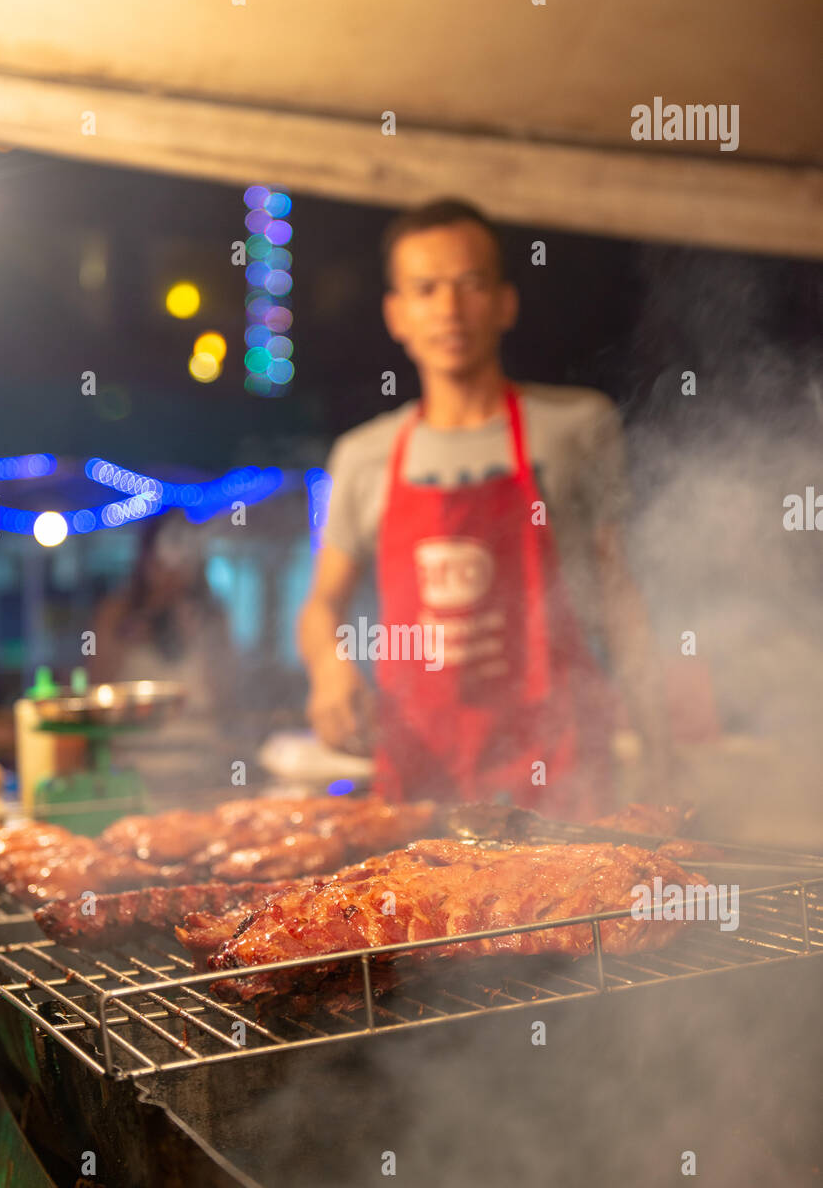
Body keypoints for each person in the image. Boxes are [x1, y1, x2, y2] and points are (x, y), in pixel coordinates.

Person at [298, 199, 670, 818]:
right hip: (422, 780)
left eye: (470, 285)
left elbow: (617, 591)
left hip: (562, 772)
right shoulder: (364, 455)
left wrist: (661, 752)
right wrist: (329, 668)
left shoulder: (578, 427)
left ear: (504, 302)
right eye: (425, 289)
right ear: (397, 314)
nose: (449, 308)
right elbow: (321, 606)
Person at [92, 509, 241, 795]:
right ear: (145, 559)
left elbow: (227, 698)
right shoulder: (117, 612)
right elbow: (95, 688)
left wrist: (198, 640)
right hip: (132, 766)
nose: (171, 571)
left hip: (199, 764)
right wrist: (128, 637)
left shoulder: (211, 616)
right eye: (161, 560)